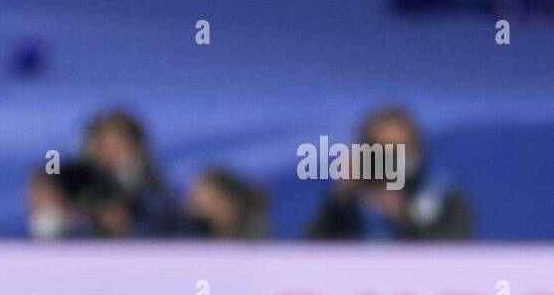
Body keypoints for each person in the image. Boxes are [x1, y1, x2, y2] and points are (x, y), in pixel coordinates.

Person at [307, 107, 473, 241]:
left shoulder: (444, 193)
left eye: (398, 149)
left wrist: (403, 217)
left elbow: (455, 255)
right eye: (380, 150)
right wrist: (339, 204)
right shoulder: (348, 198)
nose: (389, 161)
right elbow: (307, 252)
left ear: (416, 149)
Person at [183, 168, 270, 239]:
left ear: (222, 200)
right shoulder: (195, 229)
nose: (192, 199)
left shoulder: (255, 231)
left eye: (200, 195)